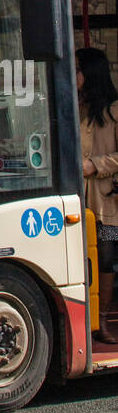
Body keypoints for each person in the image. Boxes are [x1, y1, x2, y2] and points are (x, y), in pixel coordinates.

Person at [76, 47, 118, 345]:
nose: (74, 76)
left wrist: (96, 165)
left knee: (104, 259)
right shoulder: (71, 107)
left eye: (78, 70)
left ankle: (101, 320)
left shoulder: (114, 111)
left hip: (104, 200)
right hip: (75, 196)